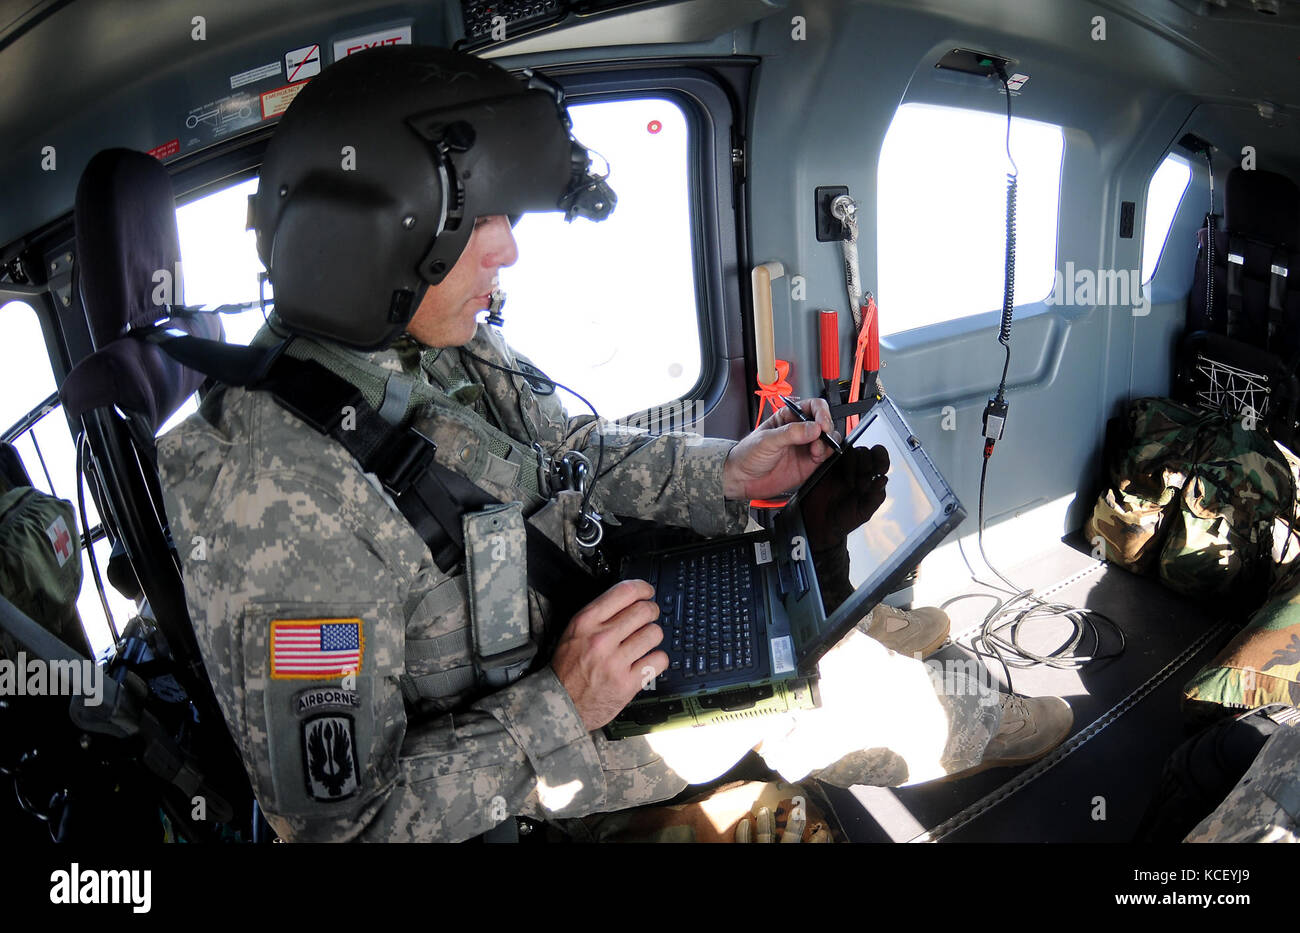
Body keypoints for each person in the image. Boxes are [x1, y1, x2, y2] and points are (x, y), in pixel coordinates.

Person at [157, 44, 1072, 843]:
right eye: (482, 224)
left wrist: (728, 467)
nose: (507, 252)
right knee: (833, 696)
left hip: (593, 611)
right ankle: (971, 716)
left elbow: (567, 449)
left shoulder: (420, 338)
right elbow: (342, 831)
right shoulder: (272, 499)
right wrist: (555, 706)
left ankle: (866, 626)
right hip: (555, 717)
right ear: (376, 240)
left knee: (781, 581)